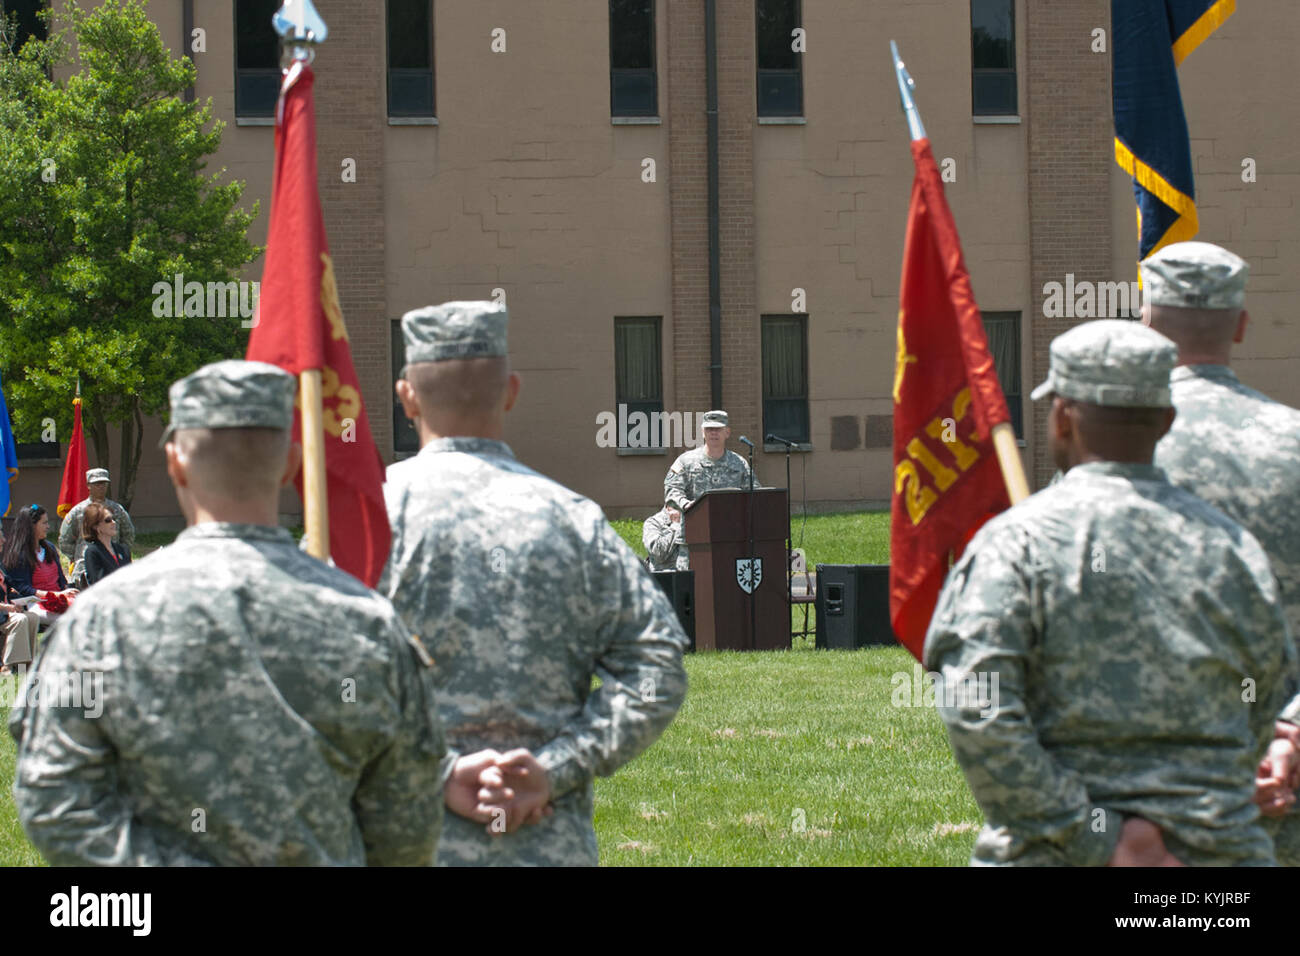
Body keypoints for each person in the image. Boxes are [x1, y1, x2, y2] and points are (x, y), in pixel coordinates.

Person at [9, 360, 461, 866]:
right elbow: (410, 822)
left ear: (177, 462)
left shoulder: (100, 622)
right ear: (292, 463)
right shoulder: (368, 623)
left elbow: (55, 797)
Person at [924, 319, 1296, 866]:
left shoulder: (1014, 546)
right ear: (1166, 421)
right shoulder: (1234, 550)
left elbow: (977, 702)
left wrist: (1098, 838)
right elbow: (1267, 701)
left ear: (1061, 416)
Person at [382, 300, 689, 866]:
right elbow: (658, 667)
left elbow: (315, 688)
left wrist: (435, 773)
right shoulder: (572, 521)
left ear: (407, 397)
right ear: (511, 392)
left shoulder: (366, 525)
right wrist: (556, 768)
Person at [1143, 240, 1300, 862]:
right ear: (1240, 323)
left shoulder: (1106, 452)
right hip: (1281, 790)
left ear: (1147, 319)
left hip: (1147, 802)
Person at [663, 410, 754, 514]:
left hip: (732, 522)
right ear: (702, 432)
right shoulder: (685, 461)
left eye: (718, 429)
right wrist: (685, 504)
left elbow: (754, 493)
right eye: (709, 429)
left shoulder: (740, 463)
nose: (713, 432)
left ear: (727, 432)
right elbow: (672, 489)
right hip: (695, 522)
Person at [1, 504, 77, 628]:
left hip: (58, 599)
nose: (48, 526)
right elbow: (24, 589)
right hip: (35, 603)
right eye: (44, 523)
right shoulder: (19, 554)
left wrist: (66, 592)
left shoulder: (49, 548)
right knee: (69, 621)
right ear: (31, 526)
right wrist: (54, 595)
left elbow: (61, 579)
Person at [58, 468, 135, 587]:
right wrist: (77, 555)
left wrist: (119, 552)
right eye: (97, 484)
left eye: (104, 484)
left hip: (113, 564)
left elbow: (128, 534)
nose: (101, 487)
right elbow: (64, 539)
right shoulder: (78, 511)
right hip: (83, 568)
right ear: (88, 485)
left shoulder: (117, 509)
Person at [0, 527, 40, 675]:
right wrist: (7, 607)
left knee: (32, 617)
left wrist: (18, 600)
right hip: (2, 613)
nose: (4, 540)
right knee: (20, 619)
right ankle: (8, 665)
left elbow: (9, 587)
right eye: (1, 537)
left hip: (5, 611)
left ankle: (29, 664)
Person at [81, 502, 132, 586]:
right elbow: (98, 583)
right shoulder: (92, 552)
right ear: (96, 526)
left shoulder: (123, 550)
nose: (114, 522)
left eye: (113, 519)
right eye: (108, 520)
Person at [642, 504, 687, 572]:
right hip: (667, 579)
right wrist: (676, 525)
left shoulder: (694, 517)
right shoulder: (653, 523)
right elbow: (658, 553)